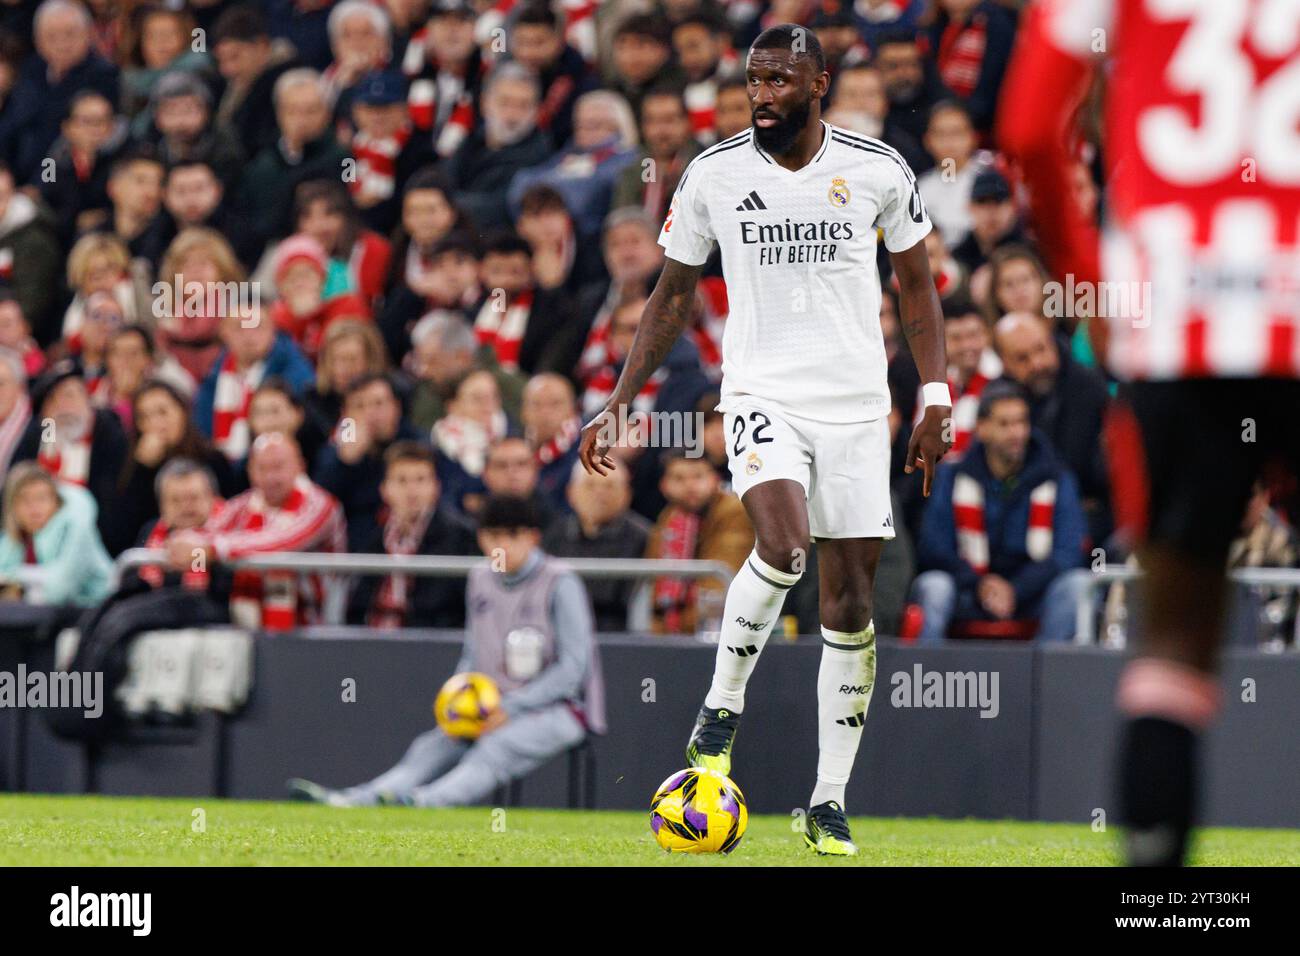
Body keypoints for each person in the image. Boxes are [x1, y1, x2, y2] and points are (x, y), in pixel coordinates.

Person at [578, 24, 952, 855]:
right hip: (761, 394)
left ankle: (827, 800)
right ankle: (718, 719)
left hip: (857, 408)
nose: (763, 94)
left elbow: (918, 290)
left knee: (850, 608)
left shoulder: (878, 169)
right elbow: (671, 296)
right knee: (782, 548)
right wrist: (619, 399)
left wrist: (934, 392)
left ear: (819, 84)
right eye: (754, 80)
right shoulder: (713, 174)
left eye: (781, 80)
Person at [999, 0, 1300, 867]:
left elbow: (1026, 129)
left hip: (1178, 324)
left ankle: (1163, 903)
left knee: (1173, 644)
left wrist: (1093, 286)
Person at [288, 493, 605, 808]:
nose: (503, 545)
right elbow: (474, 650)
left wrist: (511, 707)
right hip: (488, 707)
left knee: (496, 747)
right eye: (493, 535)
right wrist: (458, 699)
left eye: (513, 535)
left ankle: (420, 804)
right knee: (432, 745)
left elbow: (573, 670)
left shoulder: (561, 582)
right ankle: (355, 801)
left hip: (561, 709)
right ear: (481, 538)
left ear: (533, 537)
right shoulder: (480, 577)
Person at [911, 380, 1088, 643]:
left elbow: (1069, 552)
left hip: (1032, 595)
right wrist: (980, 585)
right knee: (933, 587)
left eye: (1021, 422)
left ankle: (1048, 680)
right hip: (969, 593)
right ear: (981, 428)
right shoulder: (951, 476)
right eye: (1005, 424)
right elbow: (933, 548)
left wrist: (1015, 589)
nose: (1017, 433)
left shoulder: (1057, 477)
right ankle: (929, 677)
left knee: (1078, 586)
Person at [165, 431, 346, 629]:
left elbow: (280, 542)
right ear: (250, 471)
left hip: (314, 627)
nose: (270, 477)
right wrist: (187, 545)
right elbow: (208, 532)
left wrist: (211, 549)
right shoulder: (244, 505)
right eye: (262, 468)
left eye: (278, 467)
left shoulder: (320, 504)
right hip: (246, 627)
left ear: (300, 466)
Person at [346, 441, 478, 629]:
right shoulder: (372, 538)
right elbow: (356, 605)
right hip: (371, 643)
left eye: (420, 480)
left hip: (429, 646)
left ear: (436, 487)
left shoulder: (461, 537)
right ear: (384, 489)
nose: (412, 490)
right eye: (401, 480)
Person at [313, 372, 426, 552]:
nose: (370, 414)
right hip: (355, 554)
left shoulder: (418, 444)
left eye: (379, 404)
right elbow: (320, 504)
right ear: (346, 416)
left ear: (396, 407)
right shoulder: (336, 451)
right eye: (359, 406)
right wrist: (345, 462)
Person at [645, 451, 754, 634]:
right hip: (679, 632)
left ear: (715, 479)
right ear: (664, 485)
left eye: (698, 476)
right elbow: (656, 585)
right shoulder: (670, 517)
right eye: (679, 478)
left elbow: (717, 590)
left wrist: (674, 630)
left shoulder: (734, 512)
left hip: (728, 629)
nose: (690, 486)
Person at [544, 459, 651, 632]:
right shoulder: (554, 535)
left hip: (622, 637)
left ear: (627, 494)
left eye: (609, 486)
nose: (600, 493)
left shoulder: (644, 538)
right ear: (571, 493)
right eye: (590, 485)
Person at [0, 462, 113, 607]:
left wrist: (17, 579)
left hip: (97, 608)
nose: (34, 509)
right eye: (24, 499)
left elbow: (59, 592)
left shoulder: (75, 528)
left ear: (56, 501)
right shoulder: (13, 539)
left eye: (41, 498)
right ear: (12, 506)